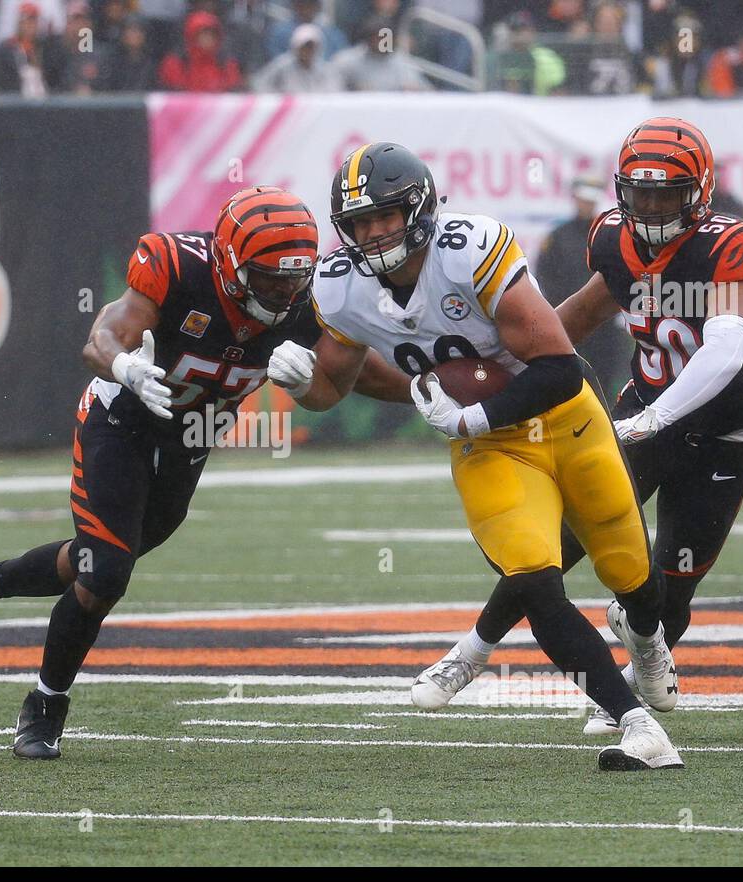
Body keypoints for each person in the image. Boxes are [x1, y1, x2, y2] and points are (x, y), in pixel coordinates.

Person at [267, 143, 684, 771]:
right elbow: (332, 389)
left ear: (422, 208)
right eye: (359, 223)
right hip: (487, 448)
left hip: (565, 420)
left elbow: (561, 370)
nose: (373, 234)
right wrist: (303, 385)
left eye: (385, 216)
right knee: (535, 579)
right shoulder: (342, 289)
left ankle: (647, 639)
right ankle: (634, 722)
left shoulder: (468, 252)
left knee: (629, 569)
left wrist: (471, 414)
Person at [0, 187, 391, 759]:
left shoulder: (312, 297)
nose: (284, 292)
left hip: (190, 442)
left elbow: (333, 389)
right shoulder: (176, 267)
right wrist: (124, 365)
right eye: (268, 278)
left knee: (97, 555)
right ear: (230, 264)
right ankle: (45, 705)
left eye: (293, 279)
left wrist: (306, 383)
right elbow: (101, 337)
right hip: (120, 421)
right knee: (106, 573)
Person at [423, 118, 743, 736]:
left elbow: (725, 351)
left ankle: (626, 692)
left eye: (666, 192)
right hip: (640, 412)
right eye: (639, 192)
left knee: (672, 588)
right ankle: (470, 653)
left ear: (698, 191)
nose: (649, 206)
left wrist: (655, 417)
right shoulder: (614, 238)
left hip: (719, 428)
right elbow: (578, 317)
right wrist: (510, 375)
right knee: (556, 549)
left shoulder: (729, 245)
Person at [536, 175, 627, 396]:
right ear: (575, 198)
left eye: (591, 200)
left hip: (604, 328)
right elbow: (545, 275)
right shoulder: (558, 237)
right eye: (582, 199)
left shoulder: (606, 234)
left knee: (603, 386)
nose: (586, 205)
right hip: (568, 324)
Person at [331, 16, 432, 91]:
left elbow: (427, 92)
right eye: (377, 37)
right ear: (367, 38)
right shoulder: (348, 60)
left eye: (385, 37)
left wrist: (414, 90)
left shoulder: (402, 62)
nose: (381, 42)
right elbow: (331, 89)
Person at [157, 9, 242, 92]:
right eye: (203, 34)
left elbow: (234, 94)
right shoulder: (175, 63)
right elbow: (167, 94)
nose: (208, 39)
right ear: (191, 36)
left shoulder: (226, 64)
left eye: (212, 35)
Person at [251, 23, 342, 92]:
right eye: (304, 46)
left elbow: (335, 92)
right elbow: (259, 84)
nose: (307, 51)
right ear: (295, 46)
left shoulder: (327, 70)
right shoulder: (281, 67)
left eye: (311, 46)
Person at [0, 1, 47, 96]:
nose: (30, 25)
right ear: (19, 22)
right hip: (16, 105)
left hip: (45, 104)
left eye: (34, 20)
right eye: (27, 20)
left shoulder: (46, 49)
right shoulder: (4, 50)